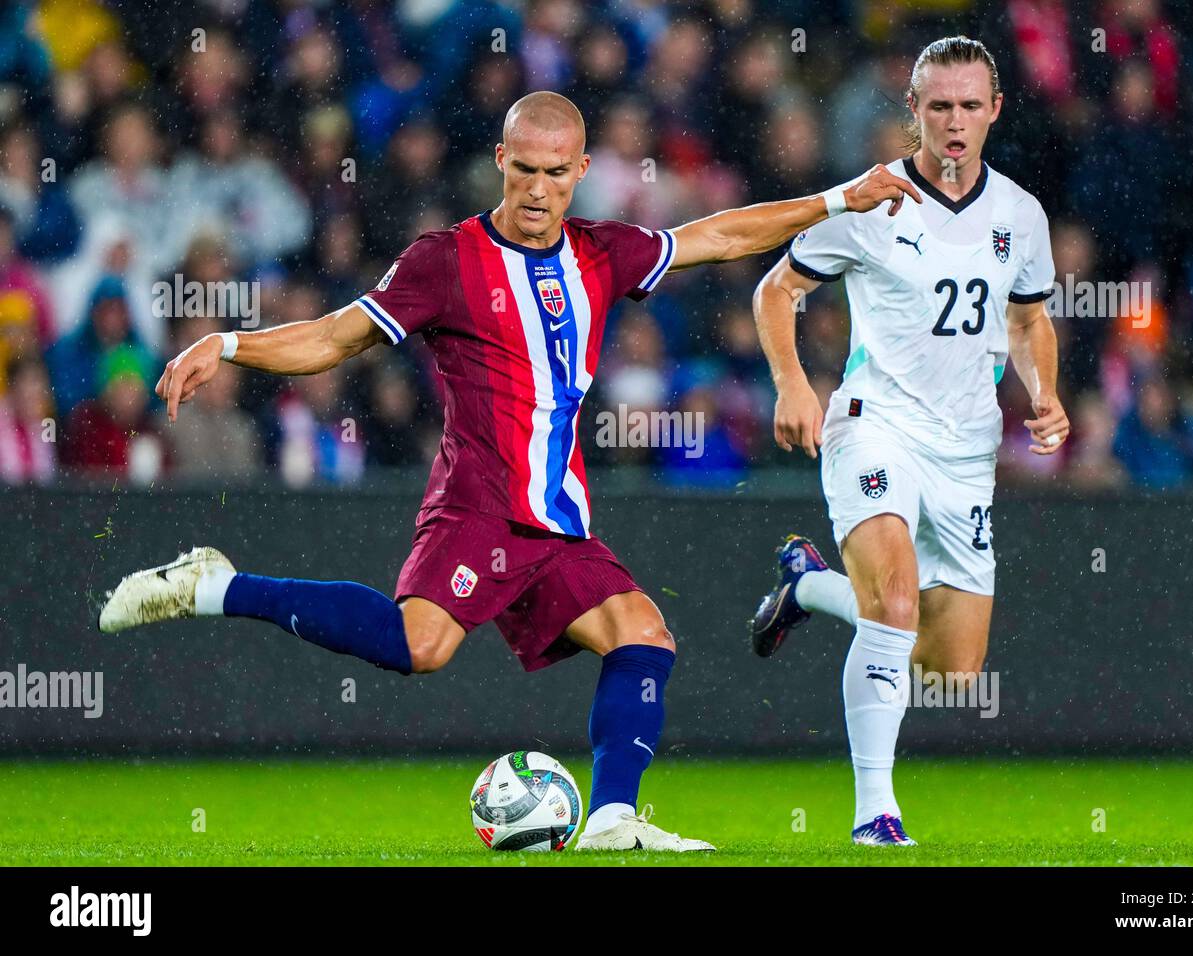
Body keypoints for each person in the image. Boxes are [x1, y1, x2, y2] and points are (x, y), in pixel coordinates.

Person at [96, 91, 920, 852]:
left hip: (556, 517)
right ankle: (218, 585)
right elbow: (335, 337)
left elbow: (723, 234)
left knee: (643, 633)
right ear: (500, 159)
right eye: (523, 169)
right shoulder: (444, 261)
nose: (536, 189)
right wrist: (230, 343)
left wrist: (840, 197)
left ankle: (610, 819)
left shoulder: (603, 254)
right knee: (419, 646)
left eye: (556, 173)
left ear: (582, 172)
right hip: (479, 508)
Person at [748, 37, 1069, 846]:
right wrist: (793, 382)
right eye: (938, 107)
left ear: (995, 109)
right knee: (892, 605)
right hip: (873, 426)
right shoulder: (873, 202)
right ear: (914, 112)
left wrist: (1047, 393)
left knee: (951, 668)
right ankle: (874, 815)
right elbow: (775, 288)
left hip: (966, 450)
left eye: (969, 106)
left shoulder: (1020, 216)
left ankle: (811, 589)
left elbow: (1027, 320)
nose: (954, 124)